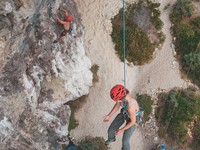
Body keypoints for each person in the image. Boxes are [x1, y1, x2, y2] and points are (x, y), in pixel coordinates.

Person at [103, 84, 139, 150]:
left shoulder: (131, 106)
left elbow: (133, 121)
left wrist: (121, 130)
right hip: (124, 113)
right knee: (111, 130)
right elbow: (117, 105)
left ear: (120, 99)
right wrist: (109, 115)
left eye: (116, 100)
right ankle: (111, 139)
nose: (116, 102)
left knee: (125, 142)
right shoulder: (123, 96)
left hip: (133, 120)